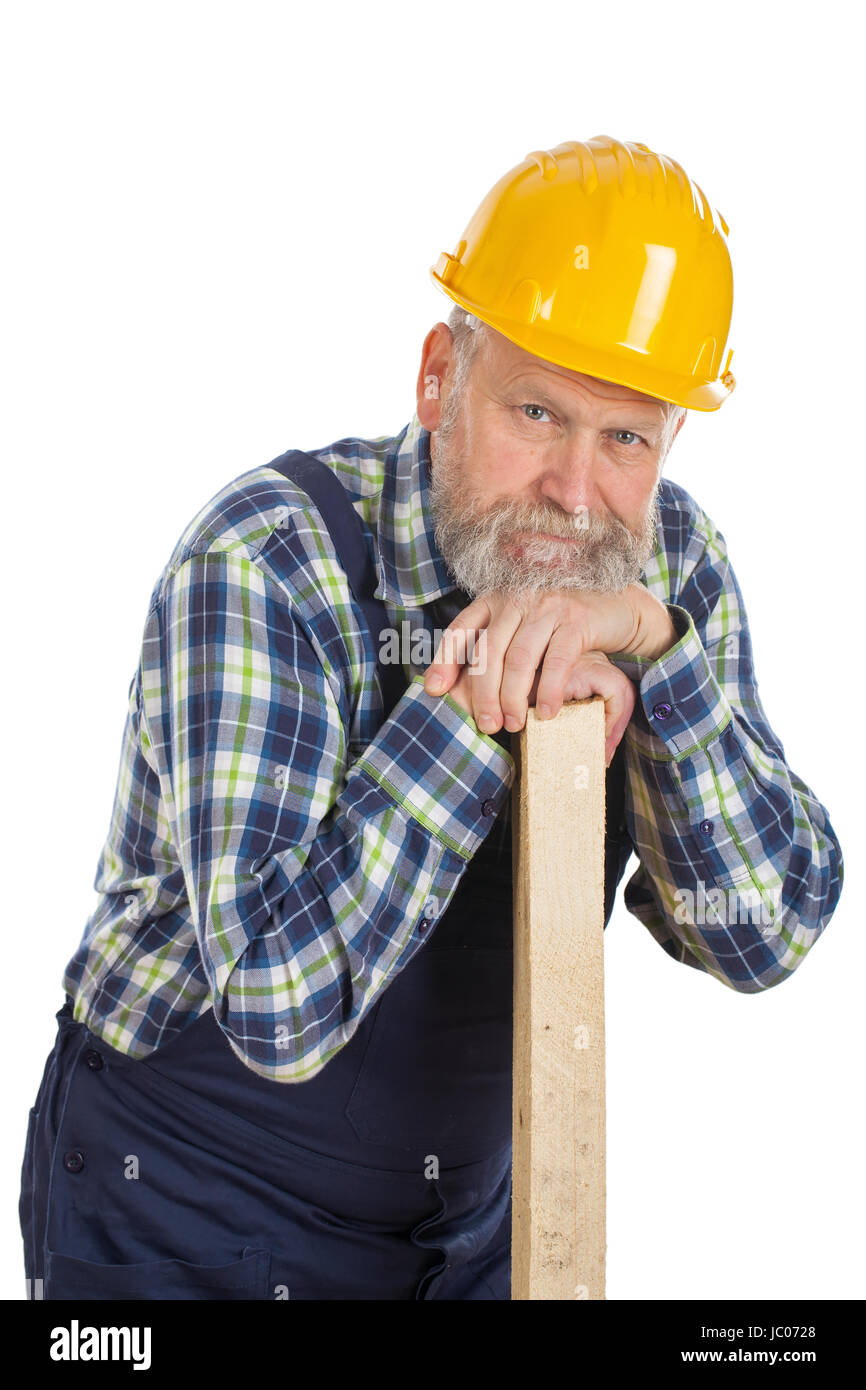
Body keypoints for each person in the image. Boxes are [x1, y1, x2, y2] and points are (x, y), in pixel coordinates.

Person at [19, 136, 843, 1301]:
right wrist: (473, 701)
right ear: (435, 380)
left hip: (459, 1229)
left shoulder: (665, 573)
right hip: (187, 1205)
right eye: (534, 411)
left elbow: (763, 935)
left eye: (624, 438)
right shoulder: (268, 562)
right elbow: (274, 1000)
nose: (572, 490)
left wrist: (660, 658)